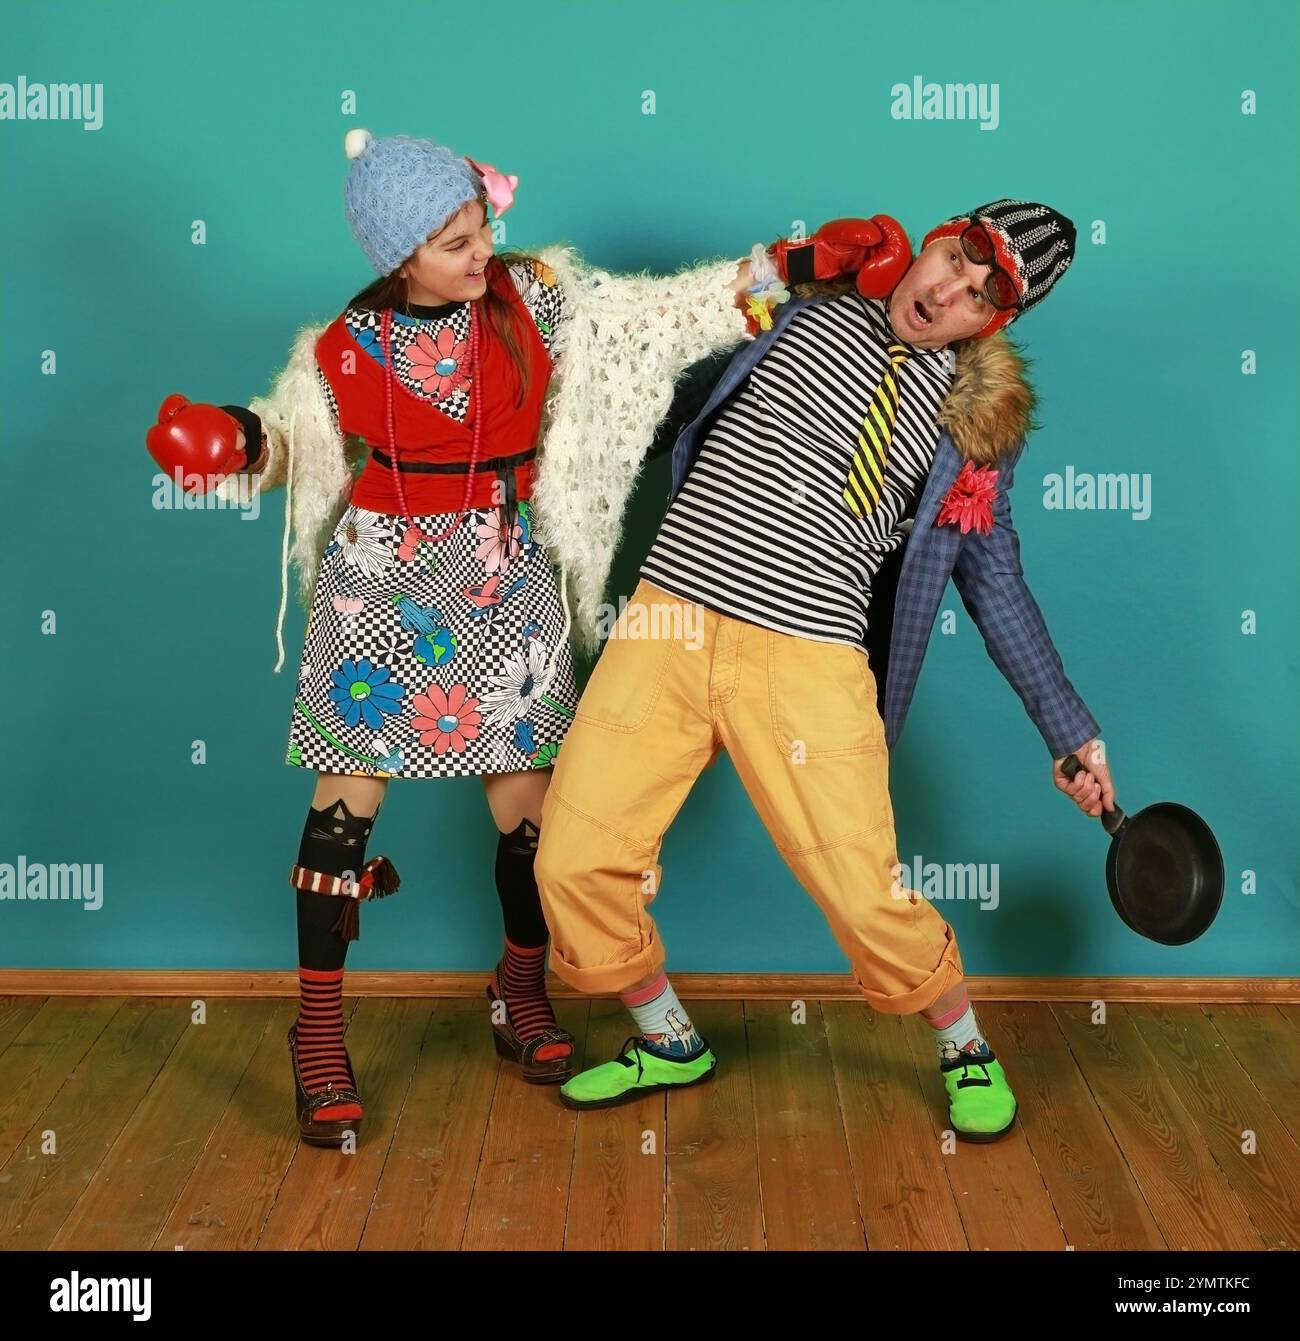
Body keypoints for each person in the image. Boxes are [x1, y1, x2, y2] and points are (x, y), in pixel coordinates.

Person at [144, 129, 757, 1145]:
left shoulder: (536, 300)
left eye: (482, 229)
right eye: (454, 243)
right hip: (376, 580)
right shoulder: (339, 348)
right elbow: (300, 445)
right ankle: (319, 1032)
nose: (483, 254)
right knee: (340, 821)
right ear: (398, 258)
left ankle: (518, 989)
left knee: (534, 820)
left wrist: (766, 274)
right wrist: (241, 446)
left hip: (502, 573)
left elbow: (654, 317)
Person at [533, 200, 1116, 1142]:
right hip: (667, 618)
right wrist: (786, 263)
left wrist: (1069, 730)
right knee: (570, 855)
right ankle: (667, 1035)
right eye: (956, 261)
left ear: (994, 321)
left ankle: (964, 1045)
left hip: (807, 654)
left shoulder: (973, 425)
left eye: (981, 295)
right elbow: (656, 350)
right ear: (931, 238)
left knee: (861, 886)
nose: (951, 292)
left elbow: (994, 575)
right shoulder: (799, 304)